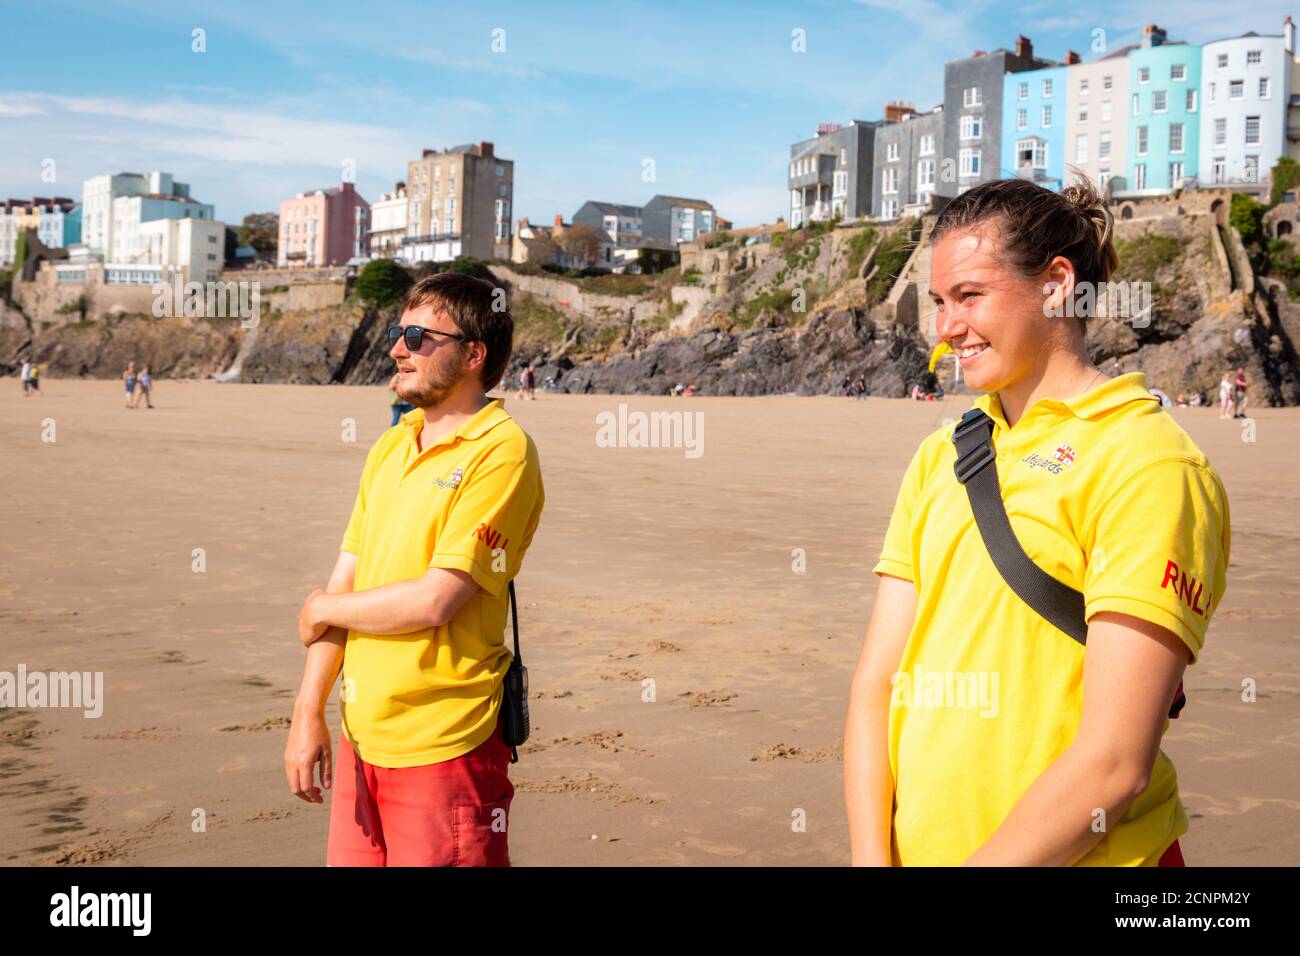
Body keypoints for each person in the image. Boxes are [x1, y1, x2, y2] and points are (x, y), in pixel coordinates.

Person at [844, 177, 1230, 867]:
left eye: (968, 296)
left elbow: (1115, 764)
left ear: (1056, 285)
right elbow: (878, 684)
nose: (945, 328)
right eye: (938, 302)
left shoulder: (1149, 464)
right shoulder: (944, 456)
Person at [286, 273, 545, 867]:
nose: (397, 348)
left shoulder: (501, 451)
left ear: (473, 354)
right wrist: (308, 714)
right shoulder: (391, 445)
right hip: (362, 735)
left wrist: (321, 608)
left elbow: (436, 600)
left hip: (445, 742)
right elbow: (346, 578)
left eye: (416, 336)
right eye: (397, 334)